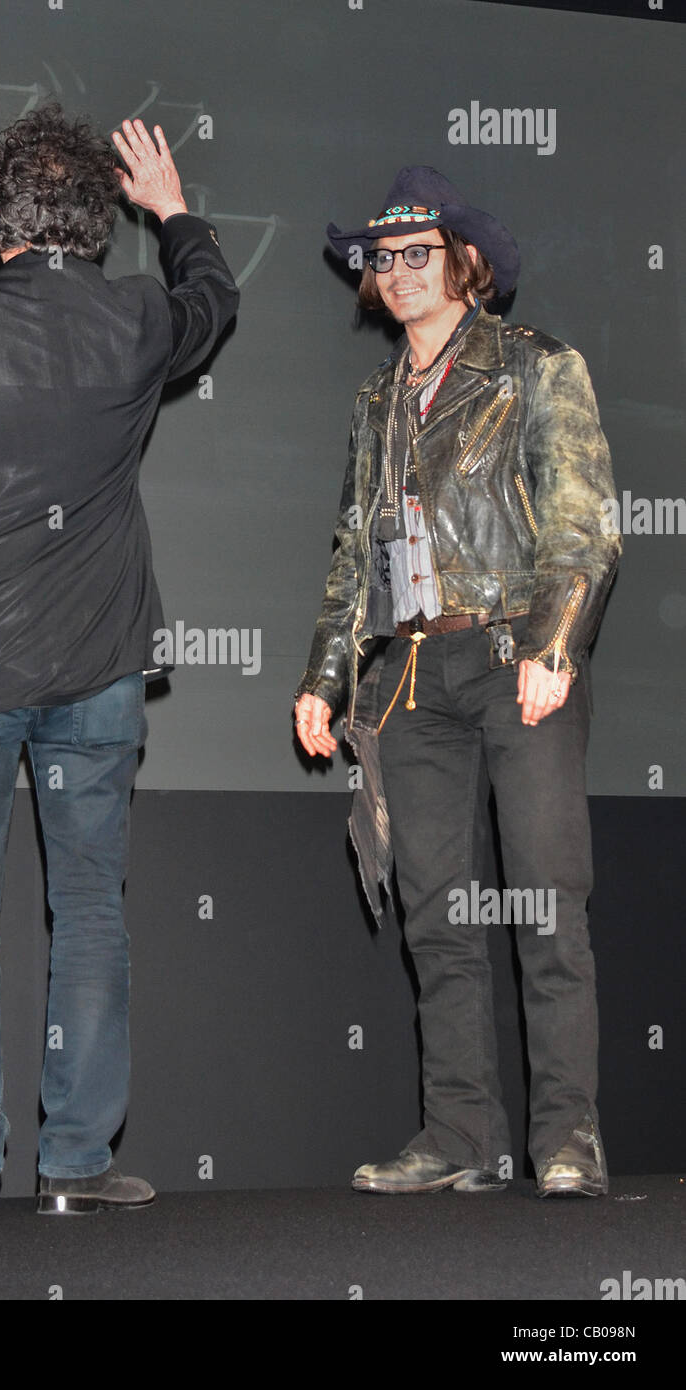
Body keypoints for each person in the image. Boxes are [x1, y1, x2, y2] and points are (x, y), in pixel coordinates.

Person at [0, 105, 239, 1215]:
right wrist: (175, 211)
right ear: (98, 217)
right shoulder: (137, 318)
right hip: (97, 664)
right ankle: (74, 1165)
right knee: (89, 906)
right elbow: (215, 300)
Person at [293, 167, 619, 1198]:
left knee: (547, 905)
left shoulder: (535, 366)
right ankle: (460, 1136)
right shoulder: (376, 398)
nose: (394, 271)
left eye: (415, 253)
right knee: (436, 916)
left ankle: (567, 1138)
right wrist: (325, 679)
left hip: (516, 652)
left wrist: (554, 647)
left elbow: (584, 522)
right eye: (380, 258)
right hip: (410, 672)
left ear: (464, 262)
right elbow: (355, 550)